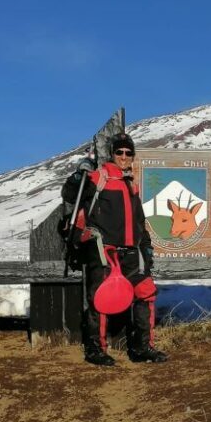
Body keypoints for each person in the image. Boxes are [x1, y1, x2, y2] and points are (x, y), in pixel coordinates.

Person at [62, 132, 168, 366]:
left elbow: (140, 223)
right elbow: (70, 195)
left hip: (132, 252)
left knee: (146, 291)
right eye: (119, 151)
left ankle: (142, 347)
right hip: (103, 249)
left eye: (128, 152)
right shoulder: (99, 177)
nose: (123, 156)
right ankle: (95, 350)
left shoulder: (132, 186)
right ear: (112, 153)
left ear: (133, 156)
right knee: (100, 297)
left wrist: (147, 249)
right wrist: (79, 175)